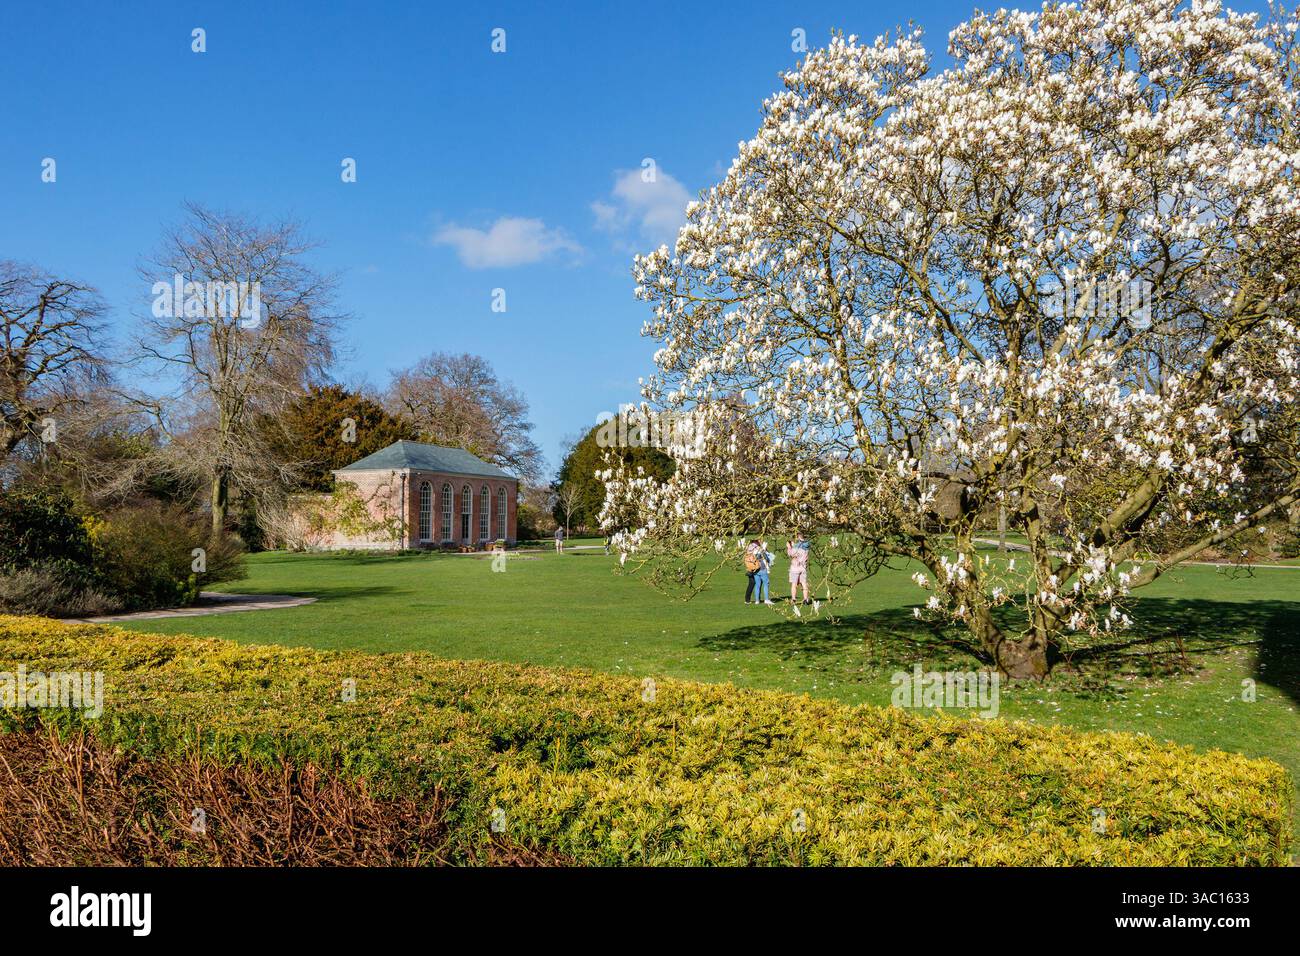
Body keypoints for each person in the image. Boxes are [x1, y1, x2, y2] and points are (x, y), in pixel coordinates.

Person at [787, 535, 811, 605]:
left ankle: (793, 599)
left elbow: (791, 554)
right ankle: (806, 599)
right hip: (803, 568)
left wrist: (789, 547)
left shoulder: (797, 547)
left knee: (794, 584)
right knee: (804, 584)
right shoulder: (806, 547)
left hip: (795, 568)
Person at [755, 540, 775, 605]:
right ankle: (766, 599)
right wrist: (764, 550)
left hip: (755, 569)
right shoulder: (760, 550)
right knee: (766, 583)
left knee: (757, 585)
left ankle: (757, 600)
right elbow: (766, 559)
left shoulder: (752, 548)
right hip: (762, 568)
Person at [743, 539, 762, 604]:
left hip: (749, 567)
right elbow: (760, 554)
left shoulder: (749, 546)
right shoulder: (756, 547)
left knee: (751, 583)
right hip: (755, 567)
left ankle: (747, 599)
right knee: (756, 582)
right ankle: (757, 599)